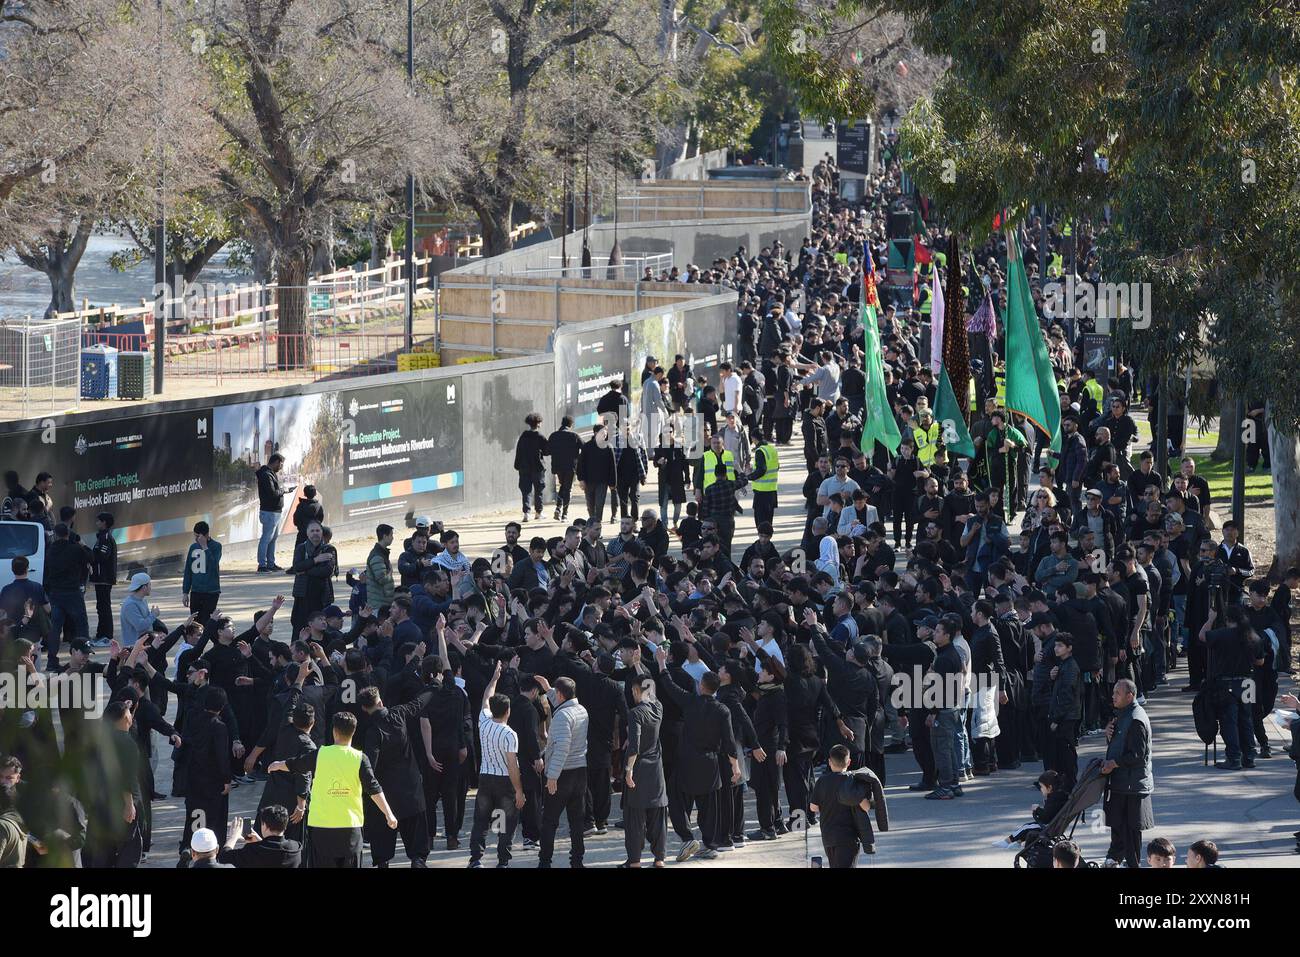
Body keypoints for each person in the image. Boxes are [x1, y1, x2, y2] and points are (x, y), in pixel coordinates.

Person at [268, 711, 398, 868]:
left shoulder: (321, 754)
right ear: (353, 731)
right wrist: (388, 814)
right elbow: (374, 788)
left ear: (334, 731)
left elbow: (296, 764)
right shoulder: (360, 758)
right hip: (350, 827)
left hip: (322, 828)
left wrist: (277, 765)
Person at [359, 682, 436, 868]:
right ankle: (418, 860)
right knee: (416, 829)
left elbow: (371, 763)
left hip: (386, 791)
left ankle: (383, 862)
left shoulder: (372, 732)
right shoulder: (399, 713)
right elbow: (419, 702)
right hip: (410, 786)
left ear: (364, 708)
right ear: (381, 702)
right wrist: (435, 686)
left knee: (382, 831)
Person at [467, 662, 526, 868]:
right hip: (504, 782)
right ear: (508, 711)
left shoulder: (483, 722)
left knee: (481, 820)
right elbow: (512, 765)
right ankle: (502, 861)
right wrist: (519, 791)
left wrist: (494, 679)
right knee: (505, 822)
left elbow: (485, 698)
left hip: (485, 778)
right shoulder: (510, 734)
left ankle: (476, 859)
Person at [537, 675, 589, 868]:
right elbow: (562, 702)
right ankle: (577, 862)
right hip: (580, 772)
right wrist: (549, 688)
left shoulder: (561, 716)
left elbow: (562, 748)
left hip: (562, 774)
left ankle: (545, 862)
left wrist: (552, 776)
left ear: (560, 694)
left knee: (549, 821)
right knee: (576, 822)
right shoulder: (581, 709)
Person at [1101, 678, 1154, 868]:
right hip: (1121, 782)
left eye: (1117, 693)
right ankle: (1114, 859)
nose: (1113, 696)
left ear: (1130, 696)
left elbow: (1138, 755)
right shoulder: (1123, 715)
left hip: (1132, 785)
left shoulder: (1135, 719)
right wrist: (1109, 735)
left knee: (1130, 832)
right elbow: (1121, 745)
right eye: (1113, 692)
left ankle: (1132, 865)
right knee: (1118, 825)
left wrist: (1113, 763)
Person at [622, 672, 668, 867]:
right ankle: (659, 859)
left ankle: (635, 861)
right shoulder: (658, 708)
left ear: (634, 690)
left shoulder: (635, 713)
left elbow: (634, 746)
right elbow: (649, 685)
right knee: (658, 816)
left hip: (639, 769)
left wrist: (628, 770)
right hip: (656, 770)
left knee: (635, 818)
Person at [809, 744, 876, 868]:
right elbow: (866, 807)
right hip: (848, 838)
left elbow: (813, 807)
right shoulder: (852, 781)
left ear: (829, 762)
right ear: (849, 762)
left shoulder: (822, 781)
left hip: (828, 836)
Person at [42, 523, 91, 670]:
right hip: (72, 592)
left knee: (55, 628)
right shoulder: (75, 549)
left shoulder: (50, 551)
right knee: (81, 625)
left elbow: (46, 572)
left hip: (56, 594)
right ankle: (85, 658)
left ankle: (51, 661)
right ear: (68, 534)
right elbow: (91, 557)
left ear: (56, 535)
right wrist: (82, 544)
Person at [217, 806, 303, 868]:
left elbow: (223, 858)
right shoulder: (295, 848)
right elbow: (275, 852)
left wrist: (233, 836)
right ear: (285, 825)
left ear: (264, 825)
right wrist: (261, 841)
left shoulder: (253, 850)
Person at [181, 521, 223, 625]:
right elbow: (188, 571)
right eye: (195, 536)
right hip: (196, 591)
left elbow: (213, 566)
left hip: (211, 592)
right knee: (195, 622)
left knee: (206, 621)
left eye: (198, 536)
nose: (196, 539)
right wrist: (185, 592)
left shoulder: (216, 546)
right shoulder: (193, 547)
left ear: (206, 535)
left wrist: (205, 547)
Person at [89, 511, 118, 647]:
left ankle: (106, 635)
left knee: (104, 607)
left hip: (104, 578)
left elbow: (102, 557)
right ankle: (101, 634)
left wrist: (88, 554)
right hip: (100, 578)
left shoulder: (106, 538)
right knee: (101, 606)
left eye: (98, 521)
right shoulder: (101, 537)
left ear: (104, 523)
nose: (96, 523)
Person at [514, 412, 550, 523]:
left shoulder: (523, 436)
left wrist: (517, 465)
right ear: (538, 423)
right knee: (539, 490)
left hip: (524, 468)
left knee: (526, 490)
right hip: (537, 468)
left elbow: (518, 452)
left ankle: (526, 513)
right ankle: (538, 513)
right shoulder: (540, 437)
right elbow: (547, 451)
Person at [547, 415, 582, 521]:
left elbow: (547, 451)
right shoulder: (574, 436)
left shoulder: (553, 435)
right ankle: (564, 514)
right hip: (571, 466)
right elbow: (584, 447)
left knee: (563, 486)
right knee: (568, 488)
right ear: (570, 424)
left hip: (558, 466)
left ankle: (558, 507)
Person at [256, 452, 286, 573]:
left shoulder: (270, 474)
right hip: (269, 512)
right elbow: (272, 493)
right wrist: (283, 491)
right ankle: (262, 565)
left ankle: (270, 563)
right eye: (281, 464)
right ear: (276, 462)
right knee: (266, 538)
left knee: (272, 538)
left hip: (274, 511)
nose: (281, 467)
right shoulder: (266, 475)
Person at [364, 524, 396, 613]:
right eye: (391, 535)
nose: (392, 538)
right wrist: (390, 572)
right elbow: (382, 579)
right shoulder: (377, 556)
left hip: (381, 602)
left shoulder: (381, 553)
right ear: (385, 536)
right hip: (378, 604)